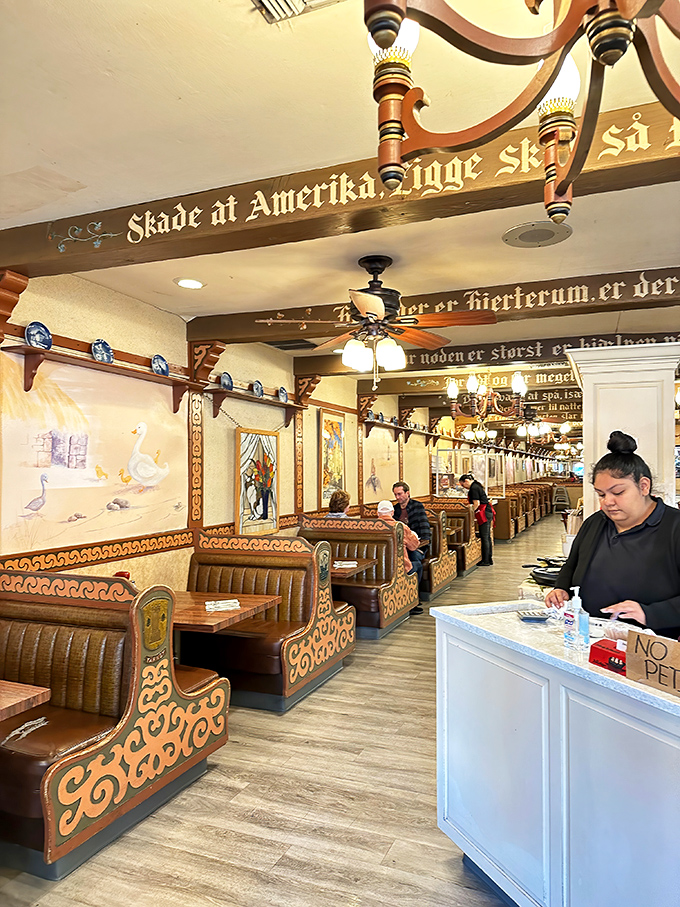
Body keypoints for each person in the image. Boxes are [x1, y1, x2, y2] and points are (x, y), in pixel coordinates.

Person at [545, 430, 680, 638]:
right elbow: (572, 564)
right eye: (601, 494)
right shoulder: (595, 522)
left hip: (649, 647)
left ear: (644, 486)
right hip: (588, 636)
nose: (608, 501)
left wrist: (649, 613)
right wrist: (561, 588)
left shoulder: (674, 527)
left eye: (618, 493)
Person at [376, 499, 424, 615]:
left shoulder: (370, 526)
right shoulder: (400, 527)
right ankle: (413, 601)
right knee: (417, 565)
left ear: (377, 513)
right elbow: (414, 546)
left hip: (377, 570)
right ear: (392, 512)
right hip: (399, 568)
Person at [392, 481, 432, 602]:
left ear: (407, 493)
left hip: (417, 545)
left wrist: (422, 543)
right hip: (401, 546)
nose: (397, 497)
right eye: (395, 495)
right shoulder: (394, 510)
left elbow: (424, 529)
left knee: (413, 559)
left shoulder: (417, 506)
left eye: (399, 494)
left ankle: (414, 595)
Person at [459, 474, 494, 566]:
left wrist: (469, 512)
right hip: (487, 512)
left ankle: (486, 560)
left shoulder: (473, 488)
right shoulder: (476, 486)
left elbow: (476, 503)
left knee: (484, 536)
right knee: (487, 536)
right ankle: (488, 559)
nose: (464, 487)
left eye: (463, 485)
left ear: (466, 481)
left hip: (484, 513)